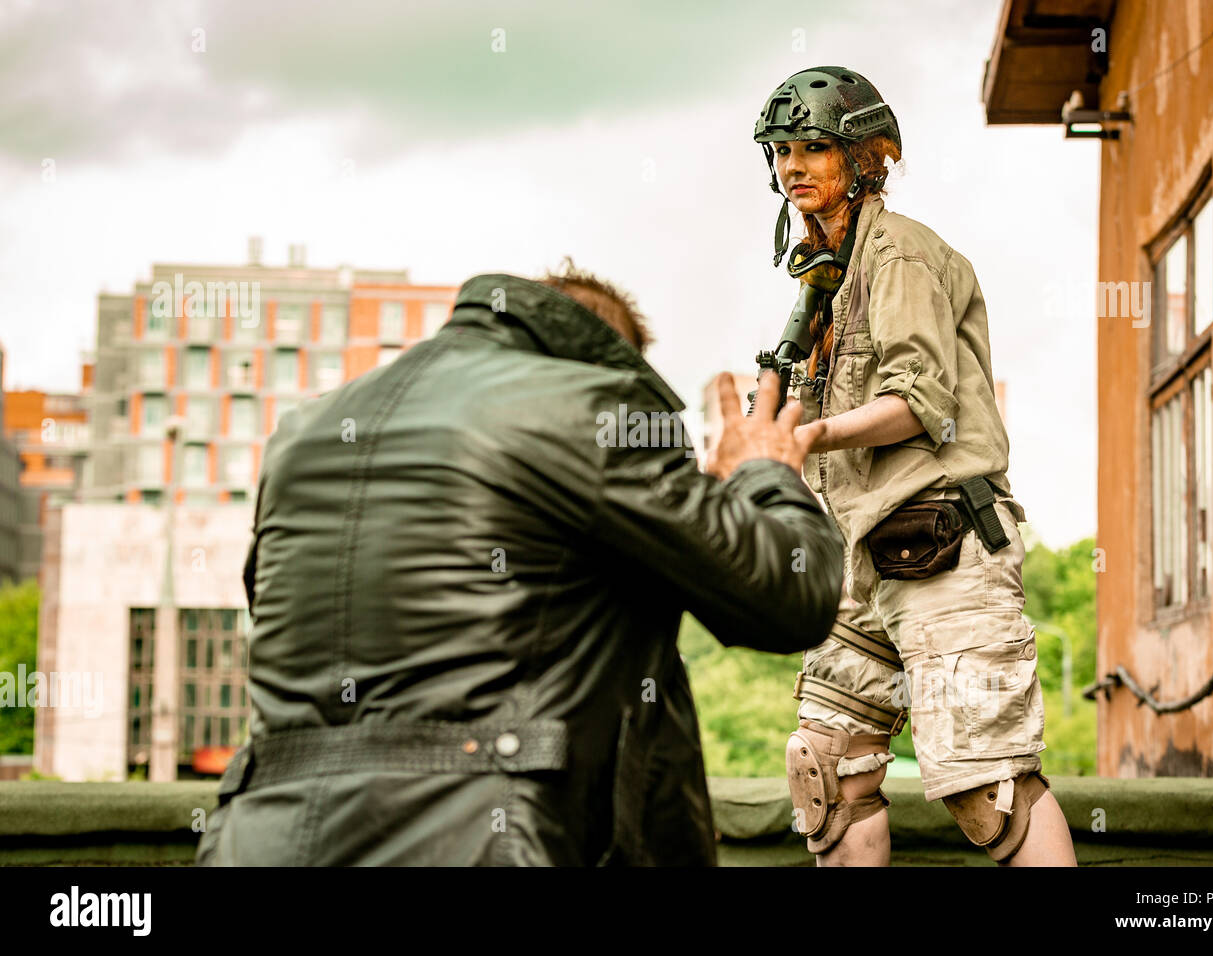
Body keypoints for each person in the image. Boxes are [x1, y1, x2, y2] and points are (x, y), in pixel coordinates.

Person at [195, 261, 845, 866]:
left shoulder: (304, 433)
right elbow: (789, 597)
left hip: (253, 839)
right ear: (606, 357)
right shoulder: (588, 404)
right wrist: (762, 470)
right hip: (477, 840)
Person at [753, 66, 1077, 866]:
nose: (794, 166)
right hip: (859, 558)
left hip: (944, 545)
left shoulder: (899, 252)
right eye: (783, 149)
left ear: (868, 156)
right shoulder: (817, 276)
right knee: (827, 773)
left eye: (815, 148)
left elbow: (919, 402)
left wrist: (807, 437)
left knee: (986, 790)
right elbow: (781, 422)